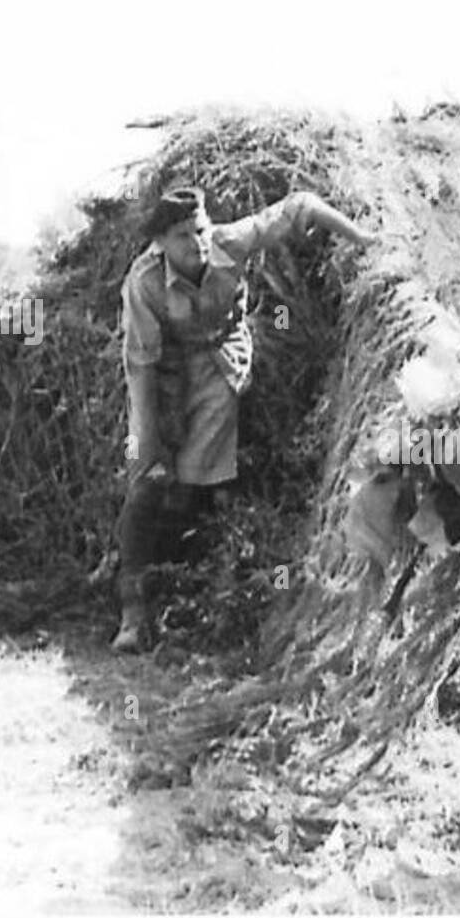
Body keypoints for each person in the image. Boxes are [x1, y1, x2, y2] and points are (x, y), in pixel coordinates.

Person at [111, 186, 378, 653]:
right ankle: (131, 609)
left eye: (199, 230)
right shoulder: (145, 283)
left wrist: (362, 238)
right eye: (181, 236)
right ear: (160, 243)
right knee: (146, 478)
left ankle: (186, 576)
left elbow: (300, 207)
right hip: (164, 374)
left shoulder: (228, 242)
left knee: (197, 475)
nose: (195, 244)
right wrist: (148, 437)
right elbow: (141, 366)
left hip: (220, 363)